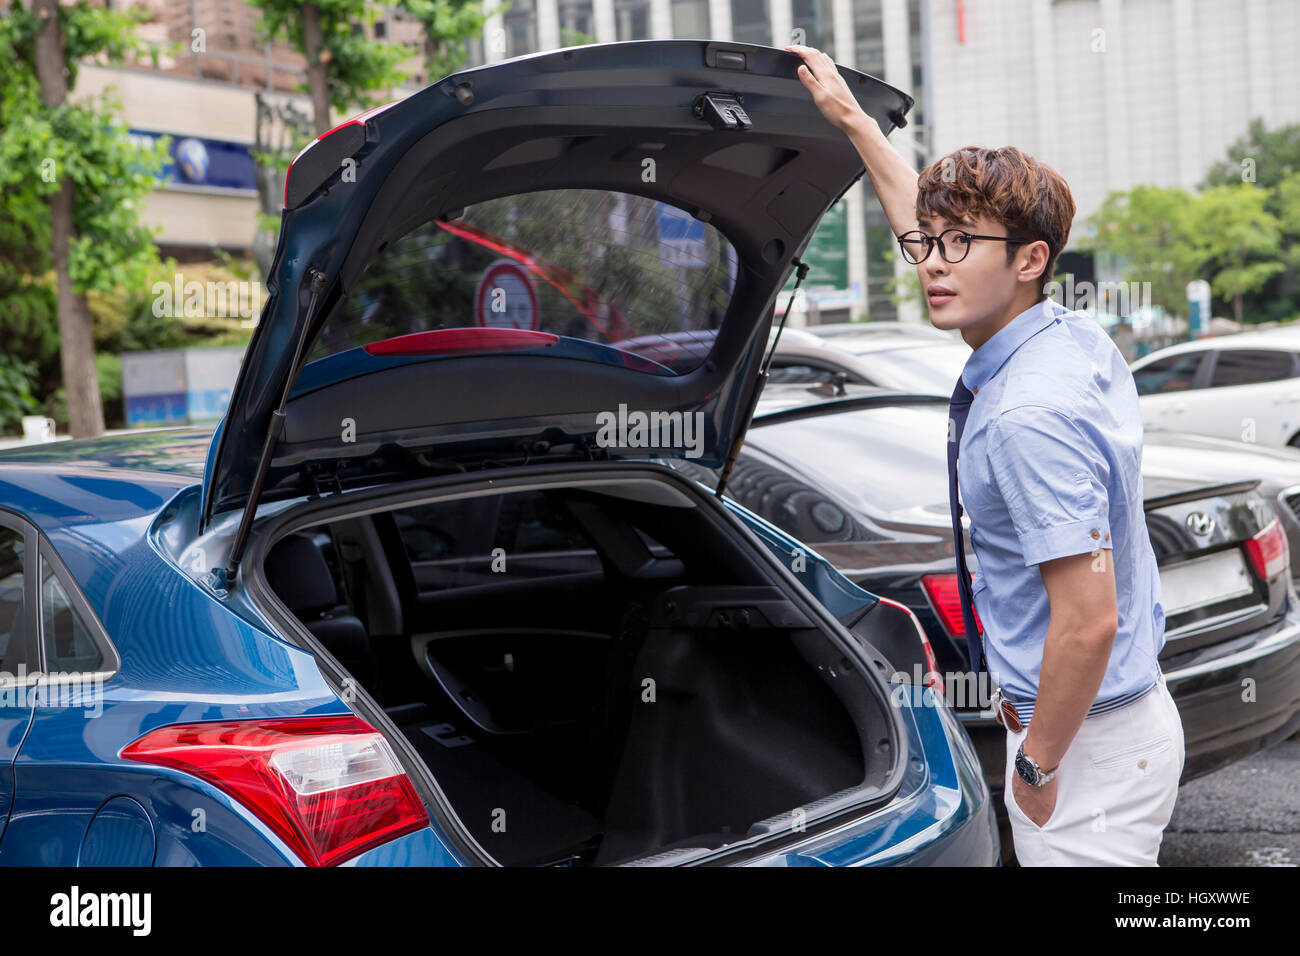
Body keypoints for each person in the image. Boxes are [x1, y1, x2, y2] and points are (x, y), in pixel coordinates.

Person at [785, 44, 1185, 866]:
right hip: (1115, 723)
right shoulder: (1061, 332)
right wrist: (854, 122)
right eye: (926, 242)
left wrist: (1036, 763)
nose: (932, 260)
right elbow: (934, 230)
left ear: (1030, 260)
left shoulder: (1025, 416)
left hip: (1085, 749)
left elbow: (1087, 619)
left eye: (957, 242)